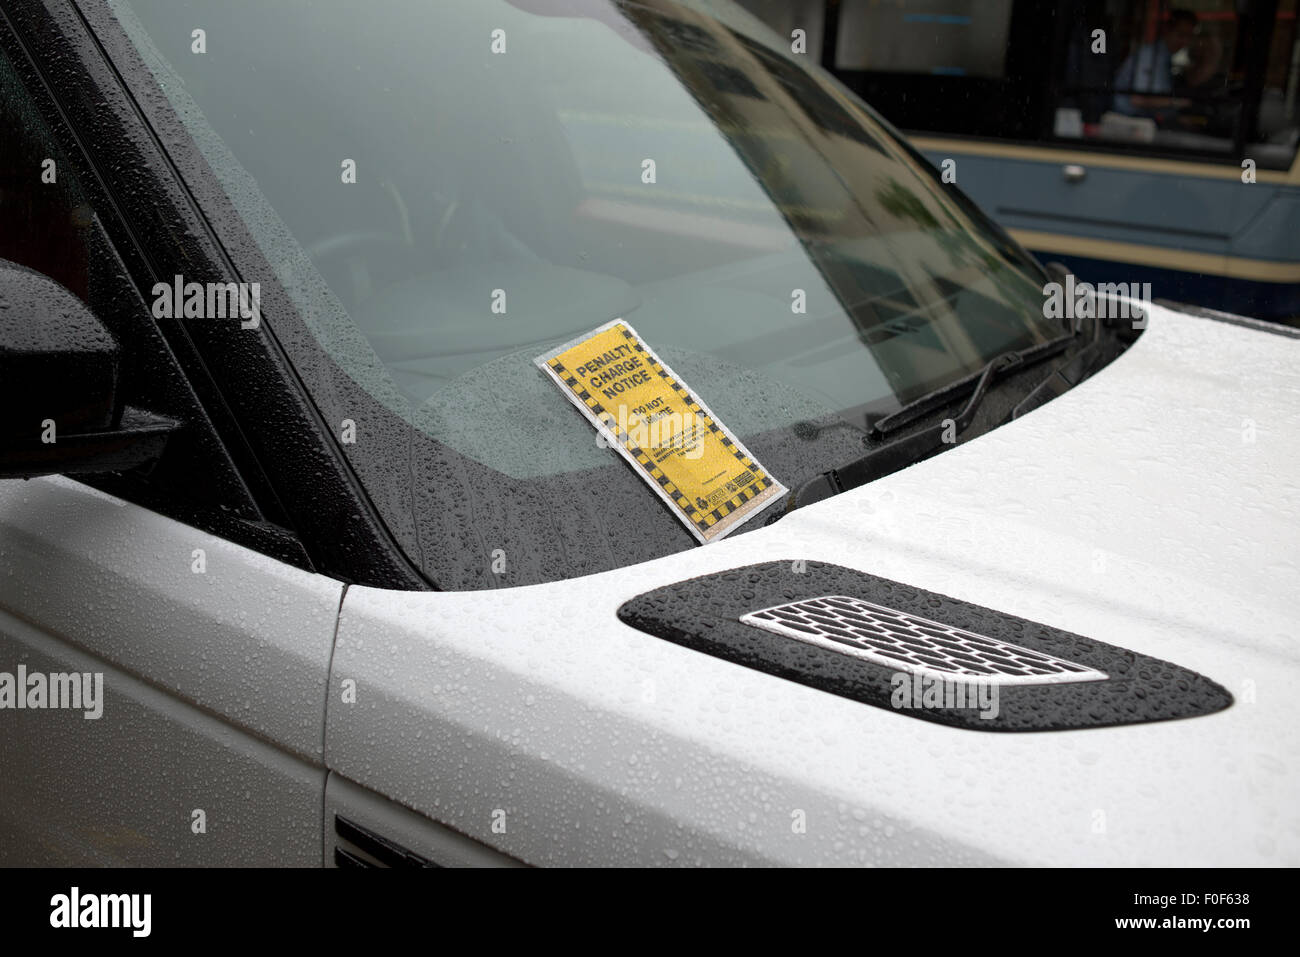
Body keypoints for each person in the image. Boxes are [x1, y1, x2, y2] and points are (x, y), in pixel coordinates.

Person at [1112, 8, 1199, 116]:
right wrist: (1179, 102)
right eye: (1180, 35)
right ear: (1166, 30)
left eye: (1189, 37)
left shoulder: (1165, 58)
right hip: (1128, 121)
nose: (1184, 41)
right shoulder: (1149, 56)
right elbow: (1138, 100)